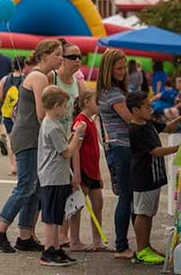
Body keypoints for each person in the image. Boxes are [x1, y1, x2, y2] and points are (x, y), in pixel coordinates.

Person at [0, 39, 63, 254]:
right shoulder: (38, 77)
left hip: (32, 137)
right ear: (45, 55)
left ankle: (25, 235)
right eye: (57, 54)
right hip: (28, 137)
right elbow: (42, 114)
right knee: (26, 186)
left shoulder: (41, 76)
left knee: (35, 188)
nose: (61, 58)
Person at [127, 90, 181, 265]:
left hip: (154, 178)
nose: (151, 109)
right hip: (143, 178)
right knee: (143, 214)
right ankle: (142, 250)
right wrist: (177, 149)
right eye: (147, 106)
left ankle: (146, 246)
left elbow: (168, 127)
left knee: (149, 213)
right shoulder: (135, 130)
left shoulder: (148, 122)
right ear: (135, 110)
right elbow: (155, 151)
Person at [36, 85, 86, 267]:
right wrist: (78, 135)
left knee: (57, 215)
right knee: (51, 217)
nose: (66, 109)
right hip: (53, 177)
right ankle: (48, 251)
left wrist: (72, 135)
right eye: (65, 105)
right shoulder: (53, 127)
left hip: (57, 176)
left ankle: (56, 248)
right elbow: (66, 152)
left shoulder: (51, 124)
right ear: (56, 105)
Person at [96, 48, 134, 260]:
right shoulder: (113, 94)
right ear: (108, 69)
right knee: (126, 198)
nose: (123, 72)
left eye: (124, 67)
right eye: (119, 68)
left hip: (117, 147)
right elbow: (132, 120)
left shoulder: (107, 92)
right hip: (122, 148)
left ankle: (125, 244)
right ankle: (121, 245)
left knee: (127, 197)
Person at [67, 89, 108, 252]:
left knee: (98, 203)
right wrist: (76, 173)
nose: (100, 104)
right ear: (86, 102)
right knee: (77, 206)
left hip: (92, 170)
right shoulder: (80, 122)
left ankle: (97, 240)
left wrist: (98, 174)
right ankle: (74, 240)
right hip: (83, 170)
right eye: (97, 101)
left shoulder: (90, 121)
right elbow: (75, 149)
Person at [0, 56, 26, 176]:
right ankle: (22, 166)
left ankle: (13, 166)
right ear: (24, 66)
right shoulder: (27, 79)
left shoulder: (5, 79)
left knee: (10, 140)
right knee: (23, 141)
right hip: (22, 113)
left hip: (8, 114)